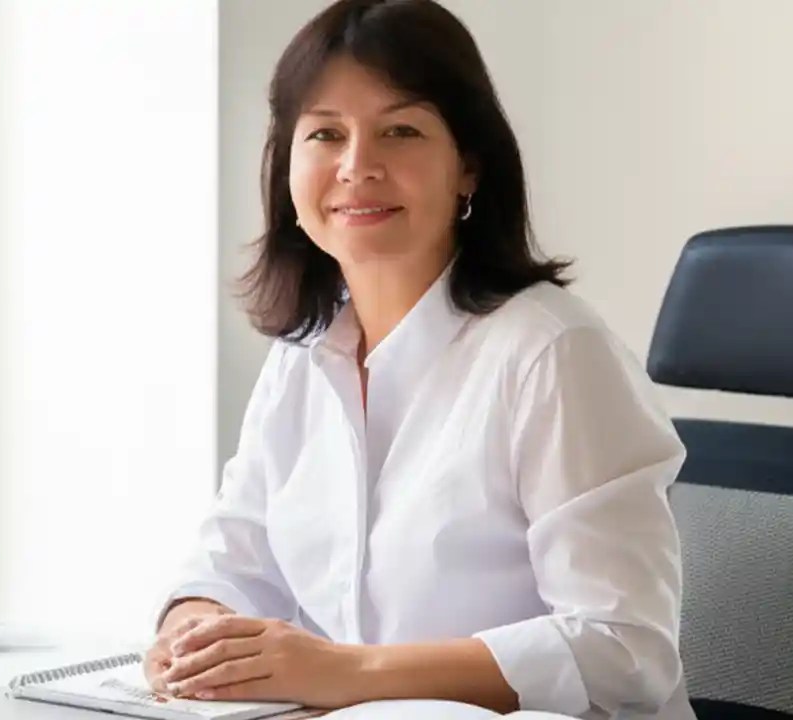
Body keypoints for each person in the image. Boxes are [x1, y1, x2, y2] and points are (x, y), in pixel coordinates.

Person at [146, 1, 694, 718]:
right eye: (325, 134)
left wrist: (346, 672)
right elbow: (235, 553)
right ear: (287, 163)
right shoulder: (306, 351)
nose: (356, 166)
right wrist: (192, 625)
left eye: (400, 131)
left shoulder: (552, 355)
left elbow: (625, 650)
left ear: (467, 166)